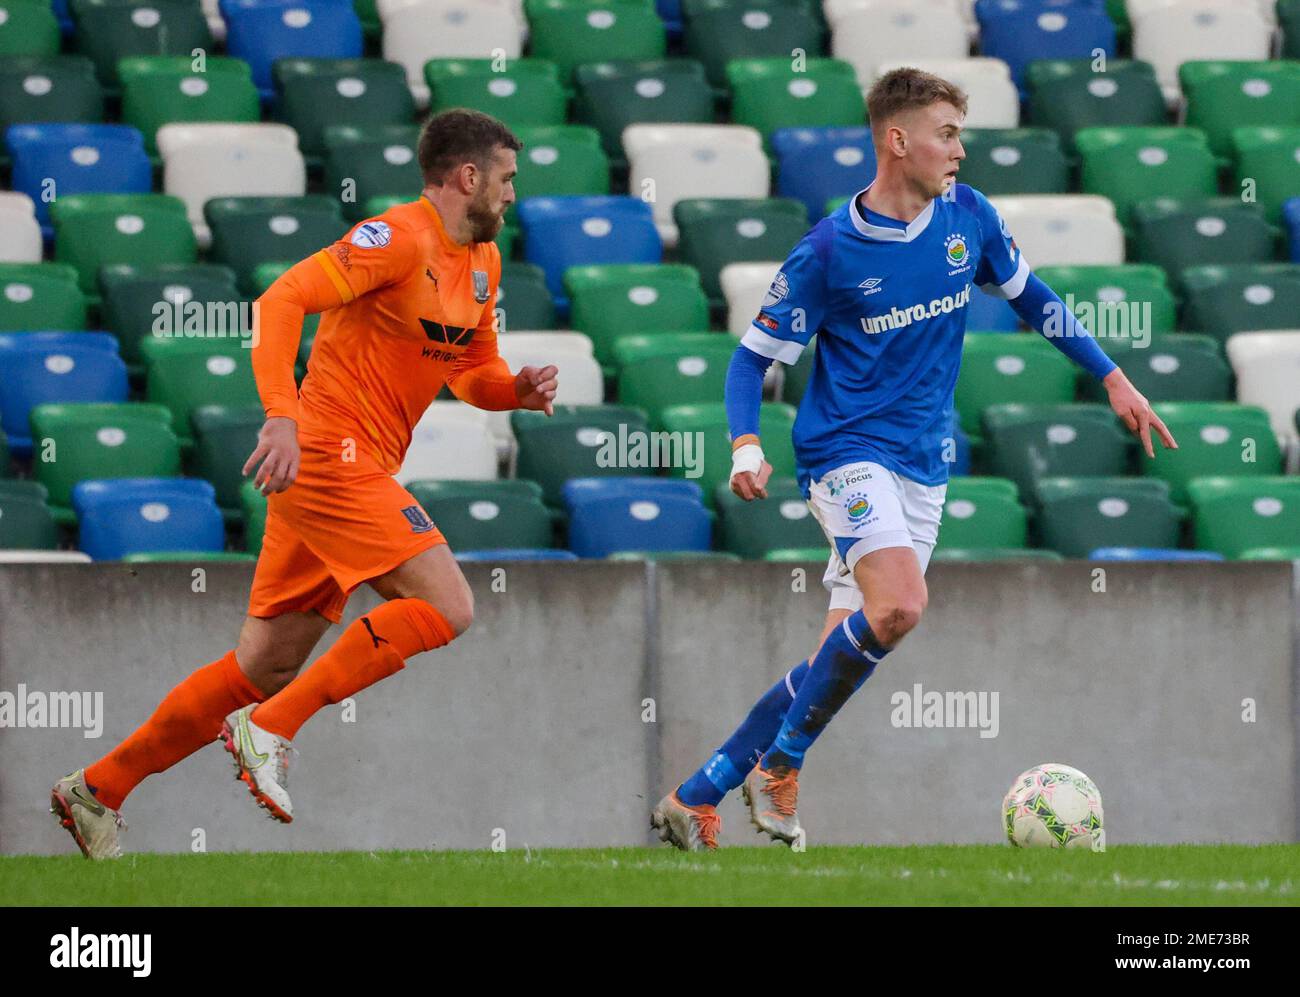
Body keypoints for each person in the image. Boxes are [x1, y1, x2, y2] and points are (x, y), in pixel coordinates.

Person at [651, 68, 1177, 851]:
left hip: (923, 466)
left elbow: (1035, 297)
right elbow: (749, 359)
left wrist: (1112, 373)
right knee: (901, 604)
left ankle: (696, 796)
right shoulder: (829, 250)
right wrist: (746, 443)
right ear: (899, 141)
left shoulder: (969, 216)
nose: (960, 151)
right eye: (947, 134)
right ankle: (782, 764)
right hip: (844, 452)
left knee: (839, 653)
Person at [52, 109, 559, 859]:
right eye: (508, 178)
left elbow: (469, 369)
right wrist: (280, 416)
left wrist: (513, 389)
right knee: (447, 606)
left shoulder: (481, 264)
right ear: (467, 177)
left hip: (349, 472)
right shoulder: (395, 239)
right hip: (327, 453)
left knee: (264, 665)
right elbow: (280, 299)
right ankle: (272, 729)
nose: (514, 196)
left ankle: (96, 789)